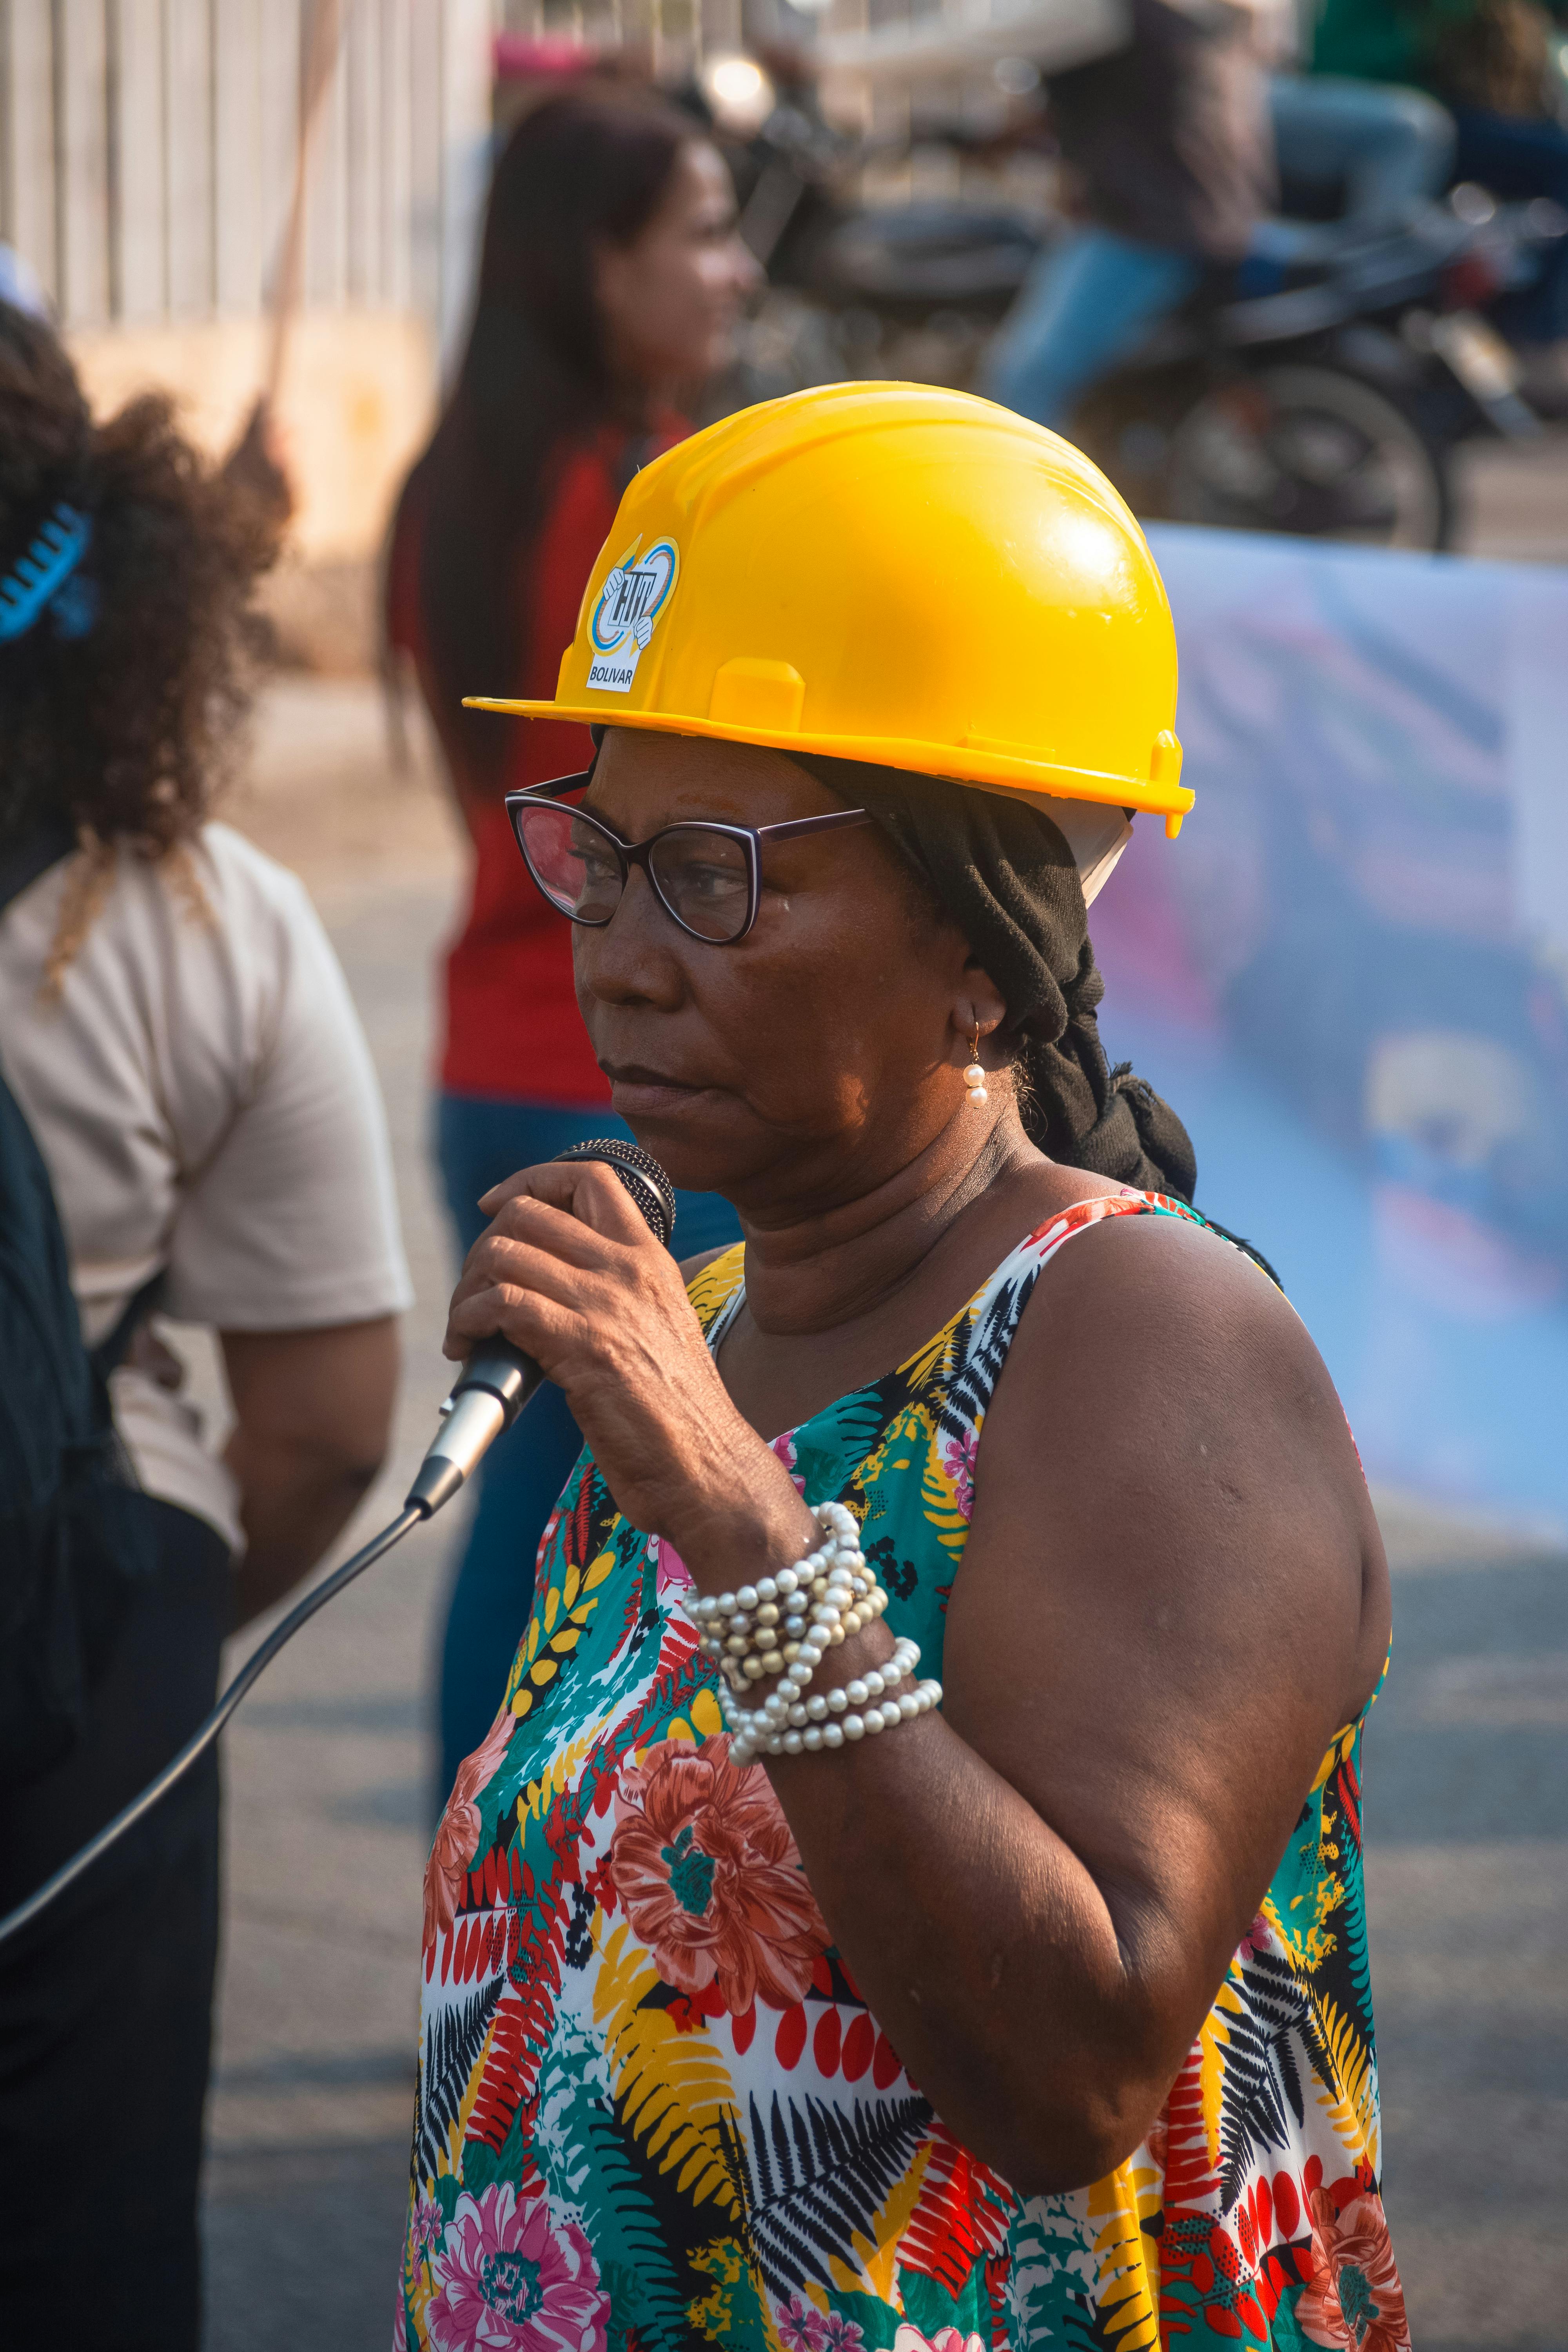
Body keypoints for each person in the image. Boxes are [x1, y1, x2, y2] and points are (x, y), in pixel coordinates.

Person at [395, 385, 1406, 2350]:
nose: (615, 952)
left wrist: (734, 1509)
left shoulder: (1144, 1338)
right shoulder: (691, 1332)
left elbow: (1069, 2074)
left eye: (715, 877)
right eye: (595, 858)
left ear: (979, 948)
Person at [0, 304, 409, 2348]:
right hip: (91, 1650)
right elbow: (331, 1424)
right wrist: (117, 1598)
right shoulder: (198, 918)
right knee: (79, 2238)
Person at [385, 85, 759, 1805]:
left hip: (492, 1059)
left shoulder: (443, 484)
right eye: (695, 231)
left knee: (525, 1535)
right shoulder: (652, 517)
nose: (734, 270)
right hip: (637, 1082)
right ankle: (515, 1904)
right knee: (627, 1540)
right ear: (588, 268)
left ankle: (477, 1914)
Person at [982, 0, 1276, 429]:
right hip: (1213, 218)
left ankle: (1019, 495)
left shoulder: (1101, 12)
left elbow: (971, 44)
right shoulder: (1186, 16)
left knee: (1021, 382)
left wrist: (854, 62)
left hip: (1149, 229)